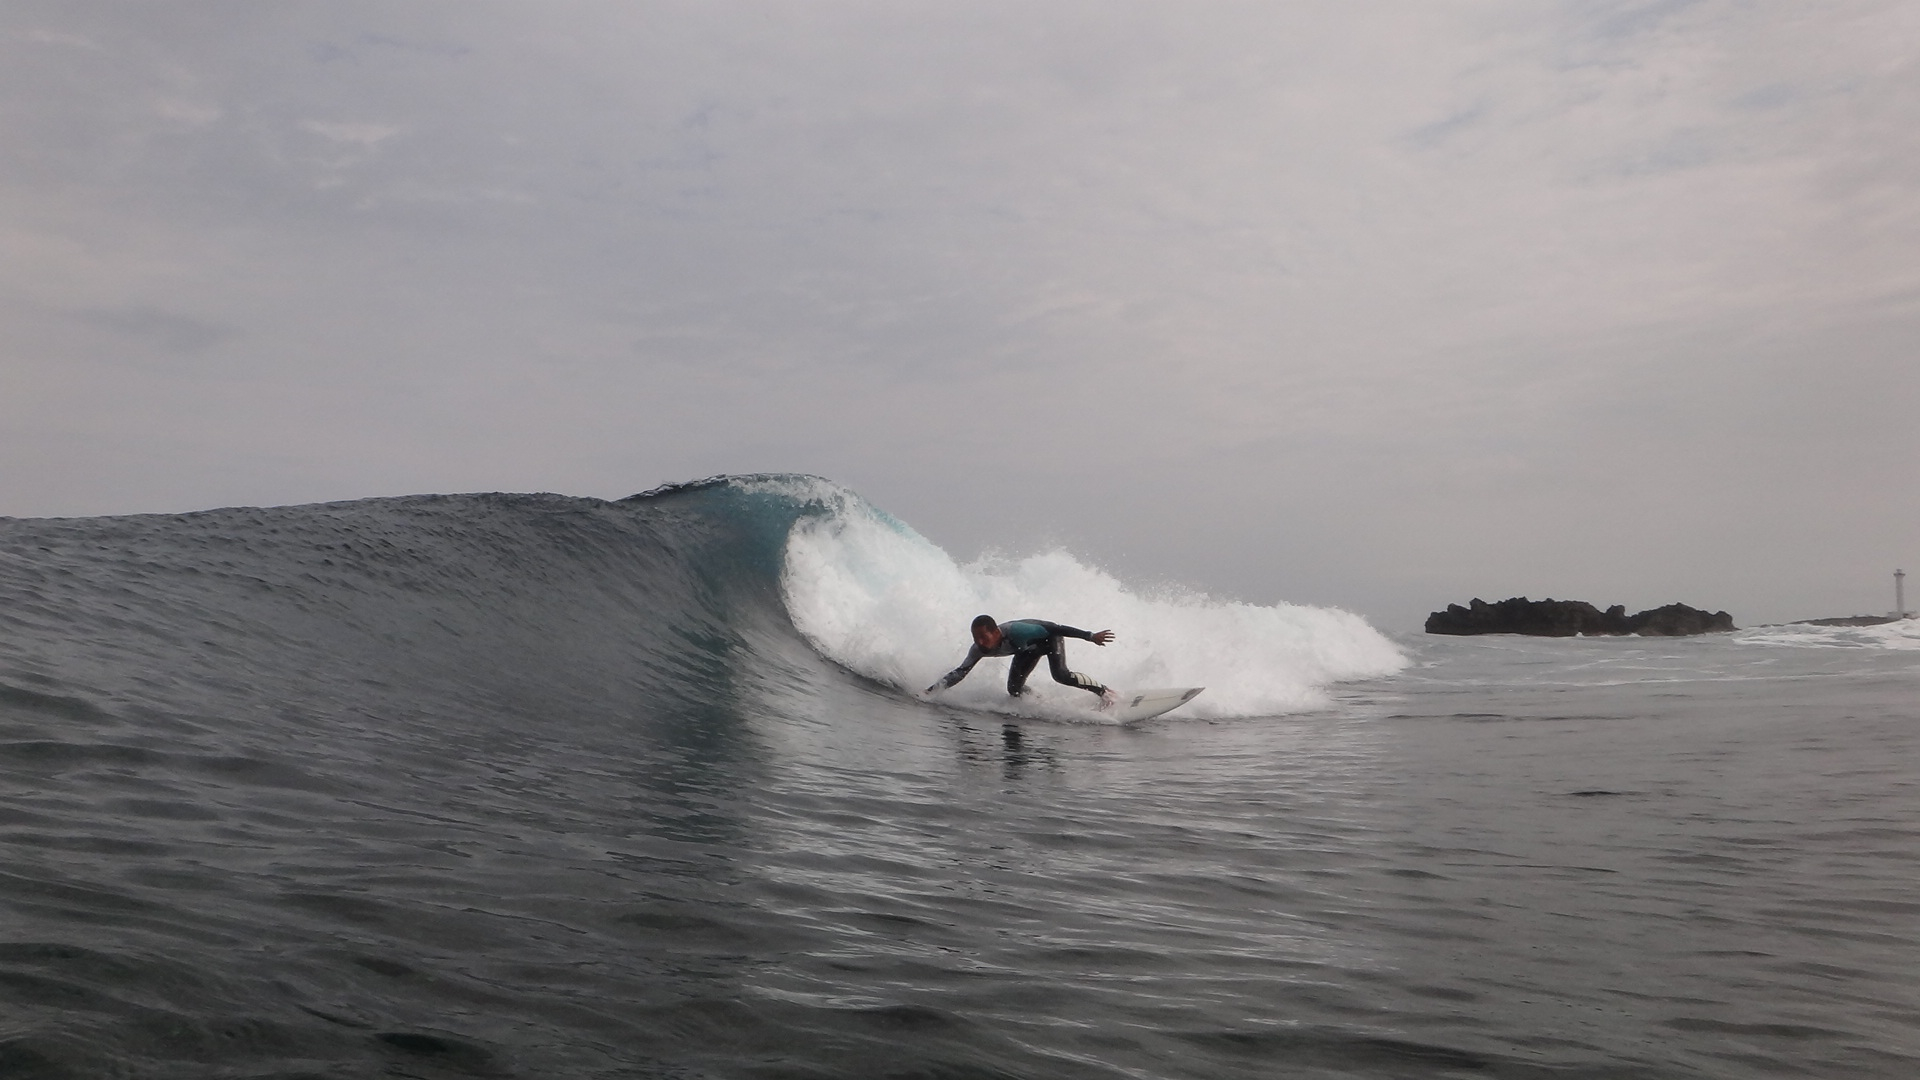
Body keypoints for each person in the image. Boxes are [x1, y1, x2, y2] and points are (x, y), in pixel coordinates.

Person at [925, 615, 1118, 707]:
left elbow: (1055, 628)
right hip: (1026, 649)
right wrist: (930, 692)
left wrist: (1090, 636)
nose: (980, 642)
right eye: (976, 638)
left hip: (1048, 639)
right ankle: (1039, 701)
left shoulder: (1017, 631)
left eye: (984, 637)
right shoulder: (978, 649)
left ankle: (1105, 692)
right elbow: (960, 673)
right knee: (1014, 690)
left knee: (1060, 675)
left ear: (995, 632)